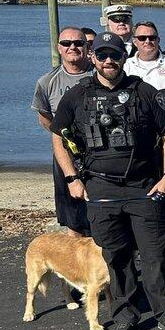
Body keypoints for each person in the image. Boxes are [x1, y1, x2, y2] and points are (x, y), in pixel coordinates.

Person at [50, 32, 165, 330]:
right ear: (93, 58)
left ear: (125, 57)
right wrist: (72, 178)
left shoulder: (145, 92)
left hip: (144, 188)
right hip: (100, 190)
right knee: (115, 257)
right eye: (103, 55)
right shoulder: (77, 96)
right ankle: (124, 316)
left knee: (155, 256)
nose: (109, 61)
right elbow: (57, 135)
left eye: (116, 55)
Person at [32, 26, 94, 237]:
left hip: (99, 154)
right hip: (66, 156)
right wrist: (66, 138)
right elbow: (45, 118)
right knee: (73, 218)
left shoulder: (99, 75)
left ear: (87, 46)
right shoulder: (47, 82)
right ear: (59, 48)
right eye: (67, 43)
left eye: (78, 43)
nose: (72, 47)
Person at [124, 21, 165, 90]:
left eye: (152, 38)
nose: (147, 41)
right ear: (135, 42)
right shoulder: (126, 66)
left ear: (158, 40)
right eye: (142, 38)